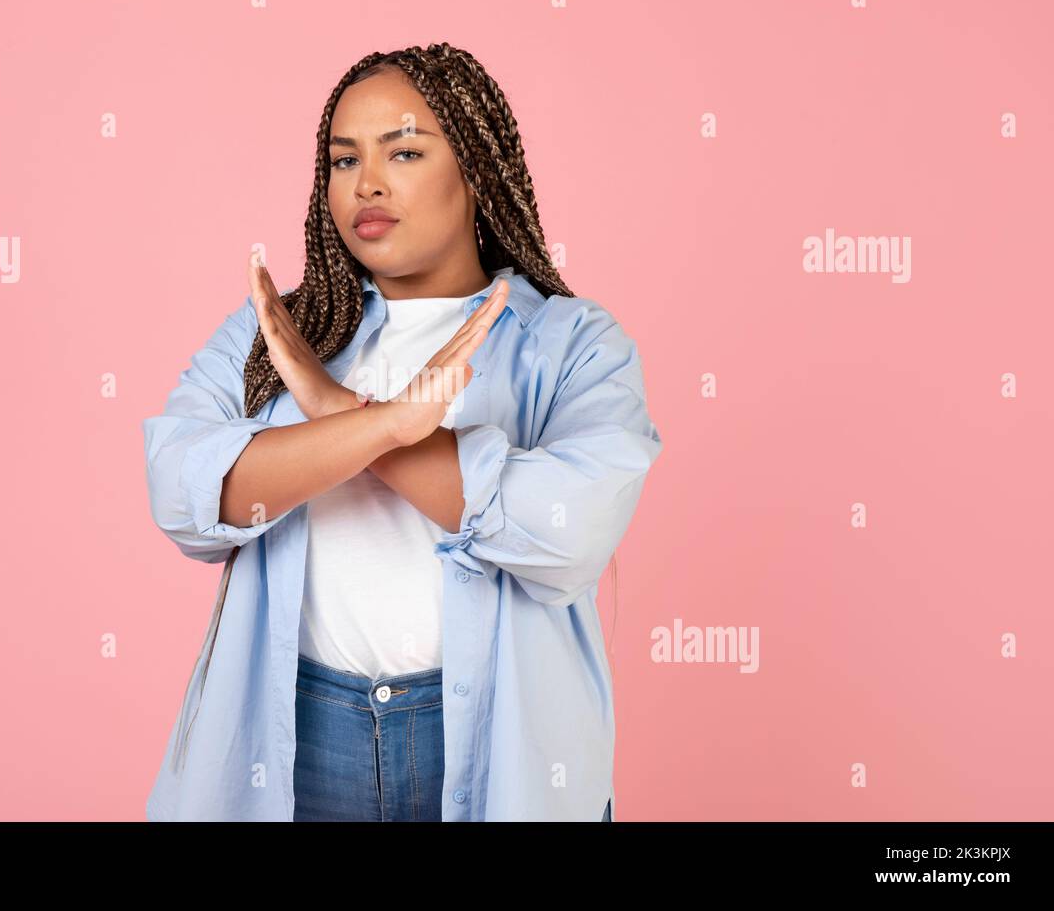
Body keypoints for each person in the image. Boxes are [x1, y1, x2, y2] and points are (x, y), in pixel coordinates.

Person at [142, 42, 663, 821]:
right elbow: (187, 493)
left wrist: (329, 412)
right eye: (343, 160)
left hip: (489, 741)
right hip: (300, 733)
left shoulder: (572, 343)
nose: (368, 184)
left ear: (477, 173)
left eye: (406, 151)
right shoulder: (278, 333)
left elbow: (566, 533)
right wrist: (386, 424)